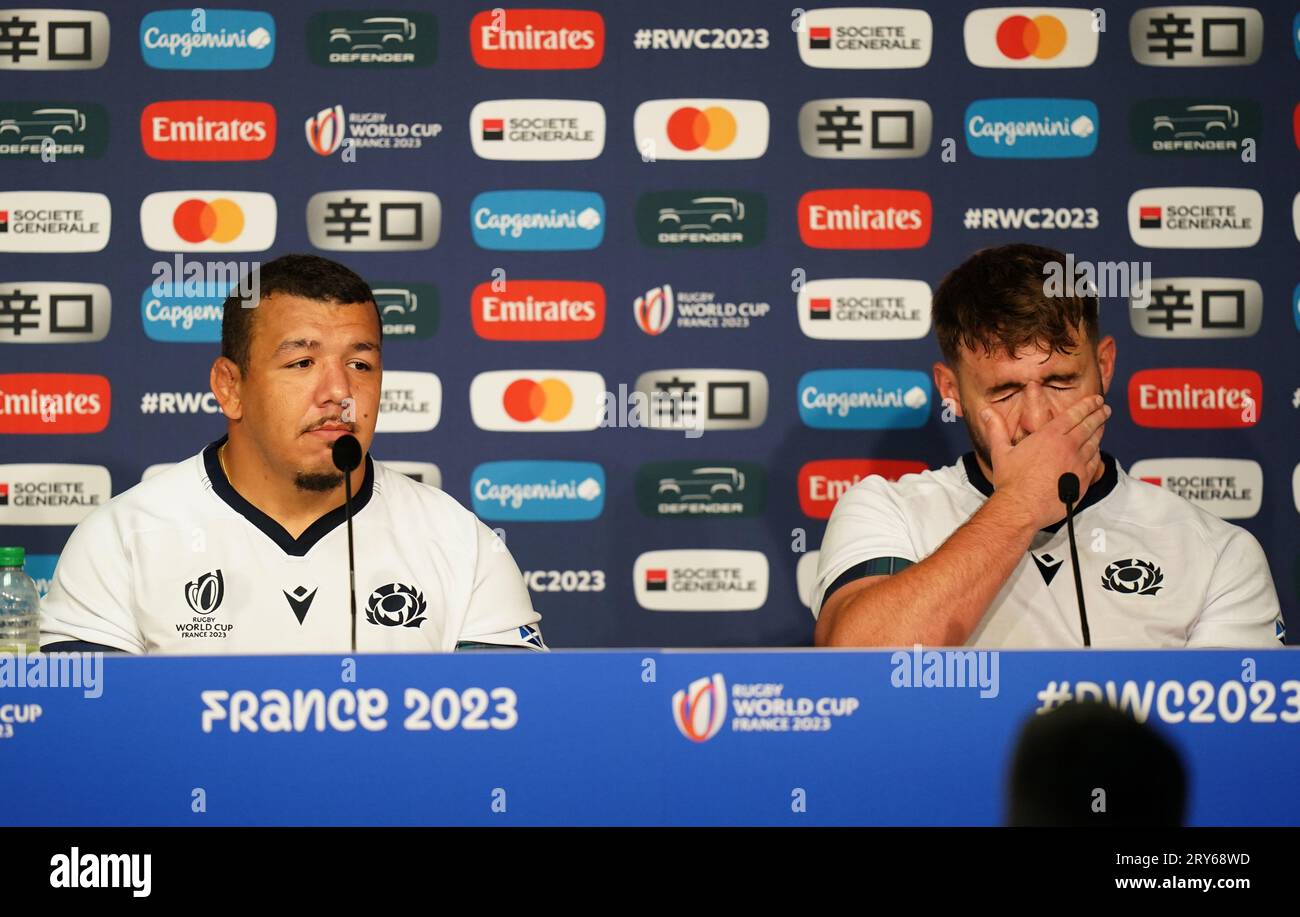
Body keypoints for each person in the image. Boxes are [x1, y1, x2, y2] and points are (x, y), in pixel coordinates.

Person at [40, 254, 544, 653]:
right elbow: (90, 748)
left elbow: (513, 733)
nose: (339, 392)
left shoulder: (462, 543)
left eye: (361, 365)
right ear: (229, 387)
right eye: (302, 362)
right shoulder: (120, 540)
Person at [812, 243, 1282, 648]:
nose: (1038, 420)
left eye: (1060, 381)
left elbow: (1228, 747)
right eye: (1005, 391)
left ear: (1105, 365)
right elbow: (857, 666)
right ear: (950, 390)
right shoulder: (887, 510)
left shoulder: (1216, 552)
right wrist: (1020, 505)